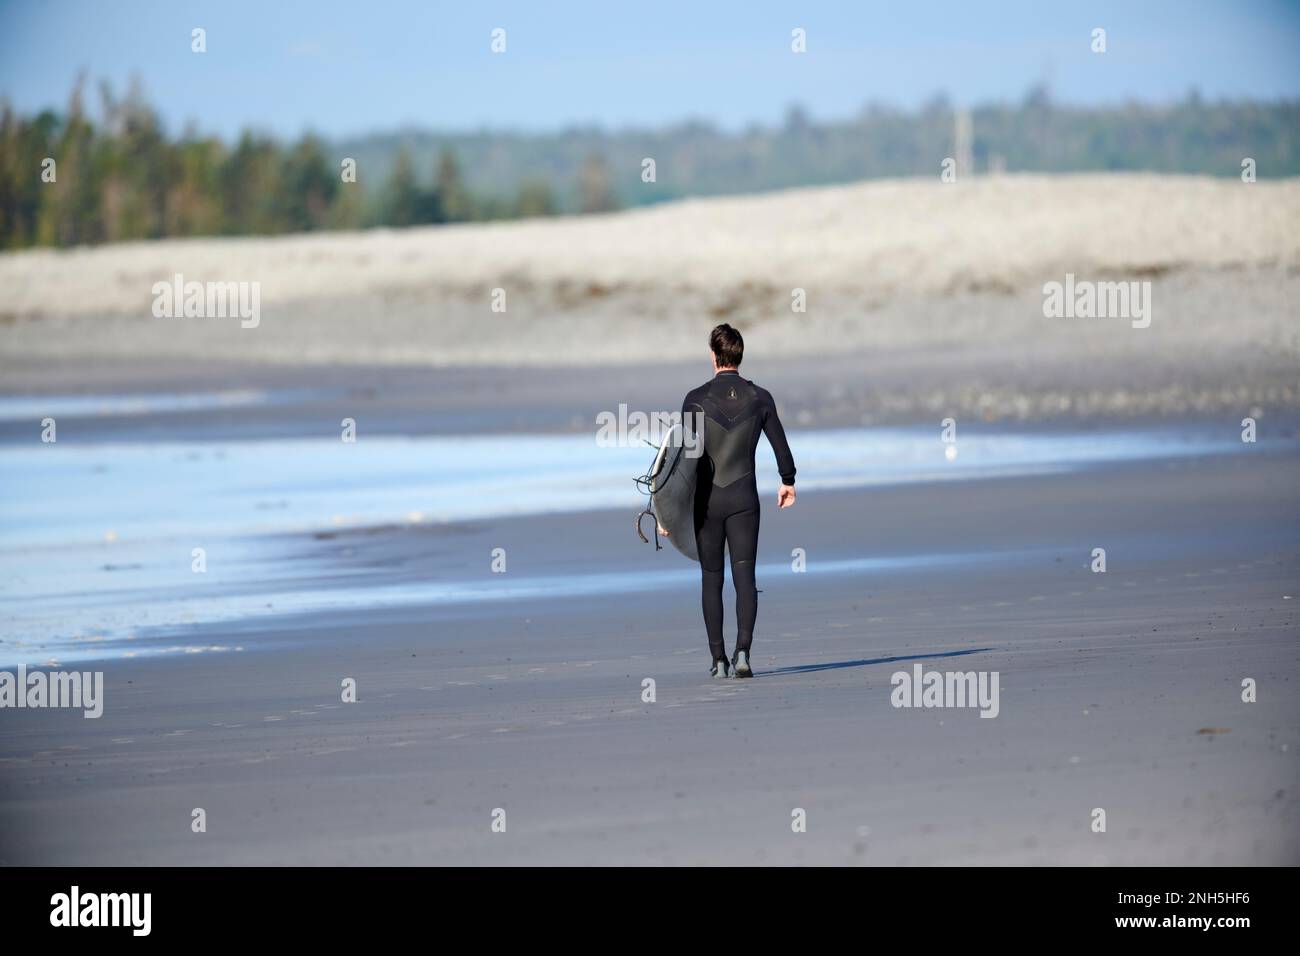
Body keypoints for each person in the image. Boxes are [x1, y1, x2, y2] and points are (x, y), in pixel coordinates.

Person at [663, 324, 796, 678]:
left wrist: (666, 513)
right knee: (744, 577)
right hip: (744, 500)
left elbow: (679, 465)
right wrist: (788, 482)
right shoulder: (760, 398)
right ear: (739, 355)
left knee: (711, 578)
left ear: (713, 355)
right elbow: (781, 448)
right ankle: (743, 655)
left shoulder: (694, 400)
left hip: (707, 504)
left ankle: (718, 660)